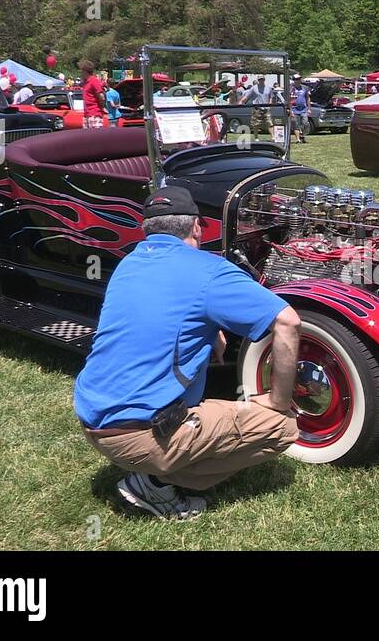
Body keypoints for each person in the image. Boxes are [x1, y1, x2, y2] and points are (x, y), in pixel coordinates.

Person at [74, 186, 301, 519]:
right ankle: (156, 484)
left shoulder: (128, 263)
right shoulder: (210, 271)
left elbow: (164, 313)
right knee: (281, 427)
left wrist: (212, 329)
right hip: (138, 434)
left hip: (93, 418)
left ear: (146, 229)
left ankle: (159, 465)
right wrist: (279, 400)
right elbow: (288, 322)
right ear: (197, 227)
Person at [240, 76, 278, 141]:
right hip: (256, 108)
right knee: (256, 124)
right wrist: (241, 102)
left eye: (262, 79)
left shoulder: (269, 88)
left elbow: (271, 97)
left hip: (266, 108)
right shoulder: (253, 88)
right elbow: (246, 96)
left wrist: (270, 104)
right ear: (258, 80)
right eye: (260, 79)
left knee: (270, 123)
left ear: (264, 79)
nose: (261, 80)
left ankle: (273, 137)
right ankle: (256, 138)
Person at [79, 60, 107, 129]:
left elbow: (101, 96)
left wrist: (102, 107)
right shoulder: (86, 82)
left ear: (85, 71)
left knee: (96, 138)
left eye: (81, 71)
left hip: (94, 114)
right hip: (87, 115)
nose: (81, 73)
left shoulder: (94, 80)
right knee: (87, 139)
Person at [290, 74, 310, 143]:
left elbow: (307, 98)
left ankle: (302, 135)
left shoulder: (305, 88)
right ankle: (298, 139)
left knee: (305, 123)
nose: (298, 80)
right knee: (296, 124)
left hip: (303, 109)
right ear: (294, 80)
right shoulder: (290, 89)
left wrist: (309, 108)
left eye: (299, 79)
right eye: (297, 79)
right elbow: (288, 100)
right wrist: (290, 110)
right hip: (294, 109)